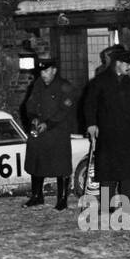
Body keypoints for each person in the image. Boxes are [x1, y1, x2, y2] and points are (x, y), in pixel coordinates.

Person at [83, 45, 130, 207]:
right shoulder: (100, 81)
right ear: (117, 63)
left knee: (127, 173)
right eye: (126, 63)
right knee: (108, 172)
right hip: (108, 133)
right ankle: (107, 206)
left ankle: (127, 205)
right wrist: (91, 124)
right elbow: (89, 104)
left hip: (129, 133)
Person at [22, 57, 76, 209]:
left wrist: (49, 123)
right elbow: (30, 103)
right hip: (40, 131)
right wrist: (33, 118)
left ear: (54, 70)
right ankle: (37, 196)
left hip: (57, 133)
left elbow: (64, 110)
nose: (43, 74)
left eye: (46, 71)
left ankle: (62, 199)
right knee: (36, 162)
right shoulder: (38, 84)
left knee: (61, 166)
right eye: (41, 71)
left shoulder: (65, 86)